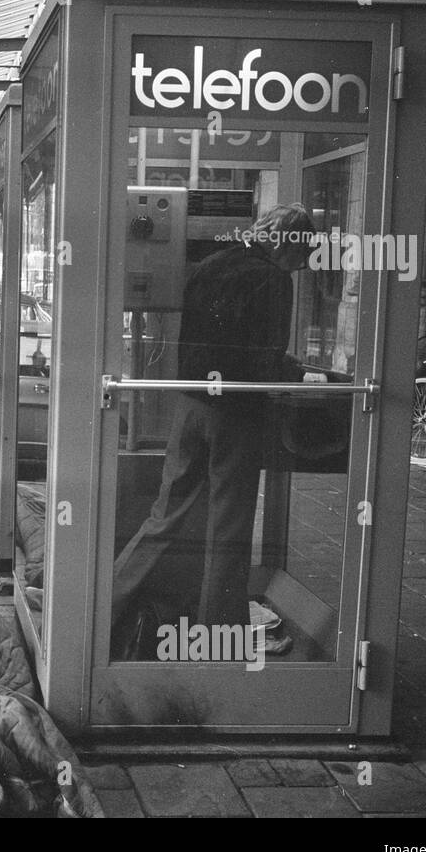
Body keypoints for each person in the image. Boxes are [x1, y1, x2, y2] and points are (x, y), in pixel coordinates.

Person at [111, 203, 317, 660]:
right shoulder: (272, 279)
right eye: (300, 254)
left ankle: (108, 602)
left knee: (164, 516)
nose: (300, 266)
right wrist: (293, 374)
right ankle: (218, 639)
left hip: (190, 406)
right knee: (230, 527)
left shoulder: (210, 265)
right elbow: (261, 357)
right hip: (235, 415)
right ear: (286, 243)